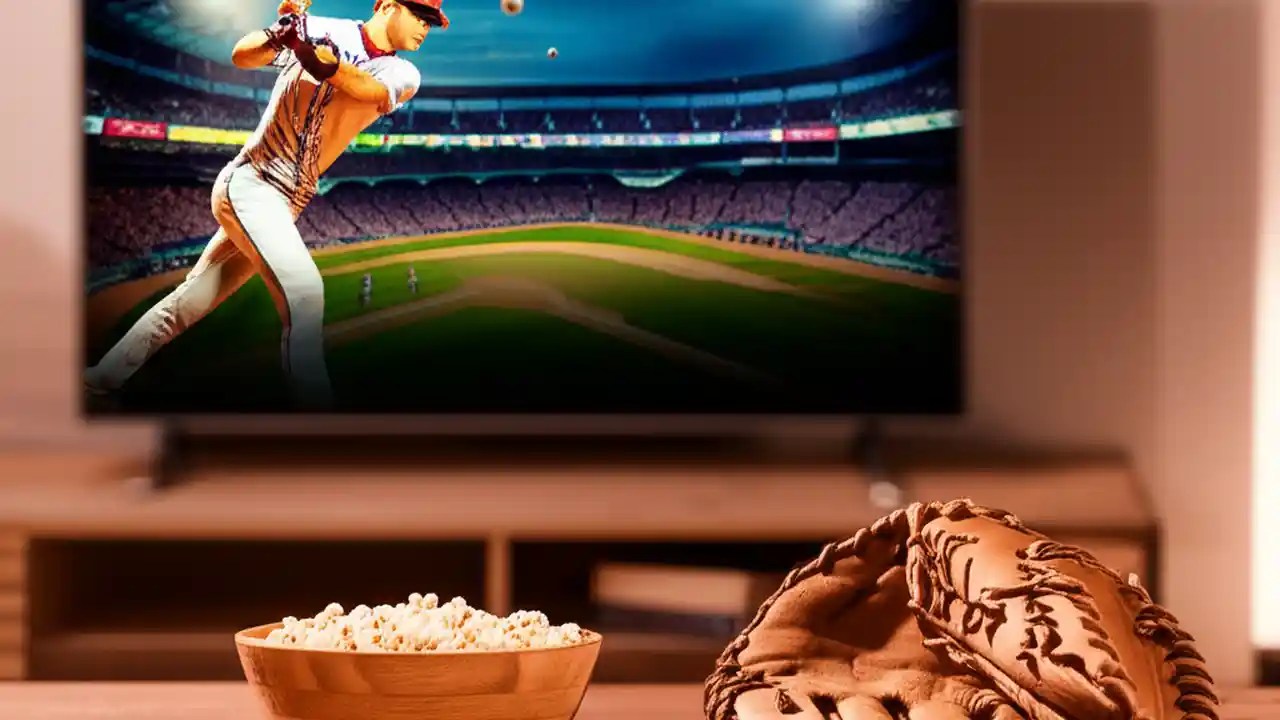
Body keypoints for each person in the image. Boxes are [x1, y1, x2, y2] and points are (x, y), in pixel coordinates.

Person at [84, 0, 449, 411]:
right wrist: (284, 32)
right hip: (252, 183)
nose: (425, 27)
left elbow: (370, 90)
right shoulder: (320, 27)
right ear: (386, 6)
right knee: (307, 293)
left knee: (191, 300)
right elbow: (243, 55)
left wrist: (318, 58)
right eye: (420, 15)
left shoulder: (403, 72)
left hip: (287, 200)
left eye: (431, 21)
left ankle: (103, 376)